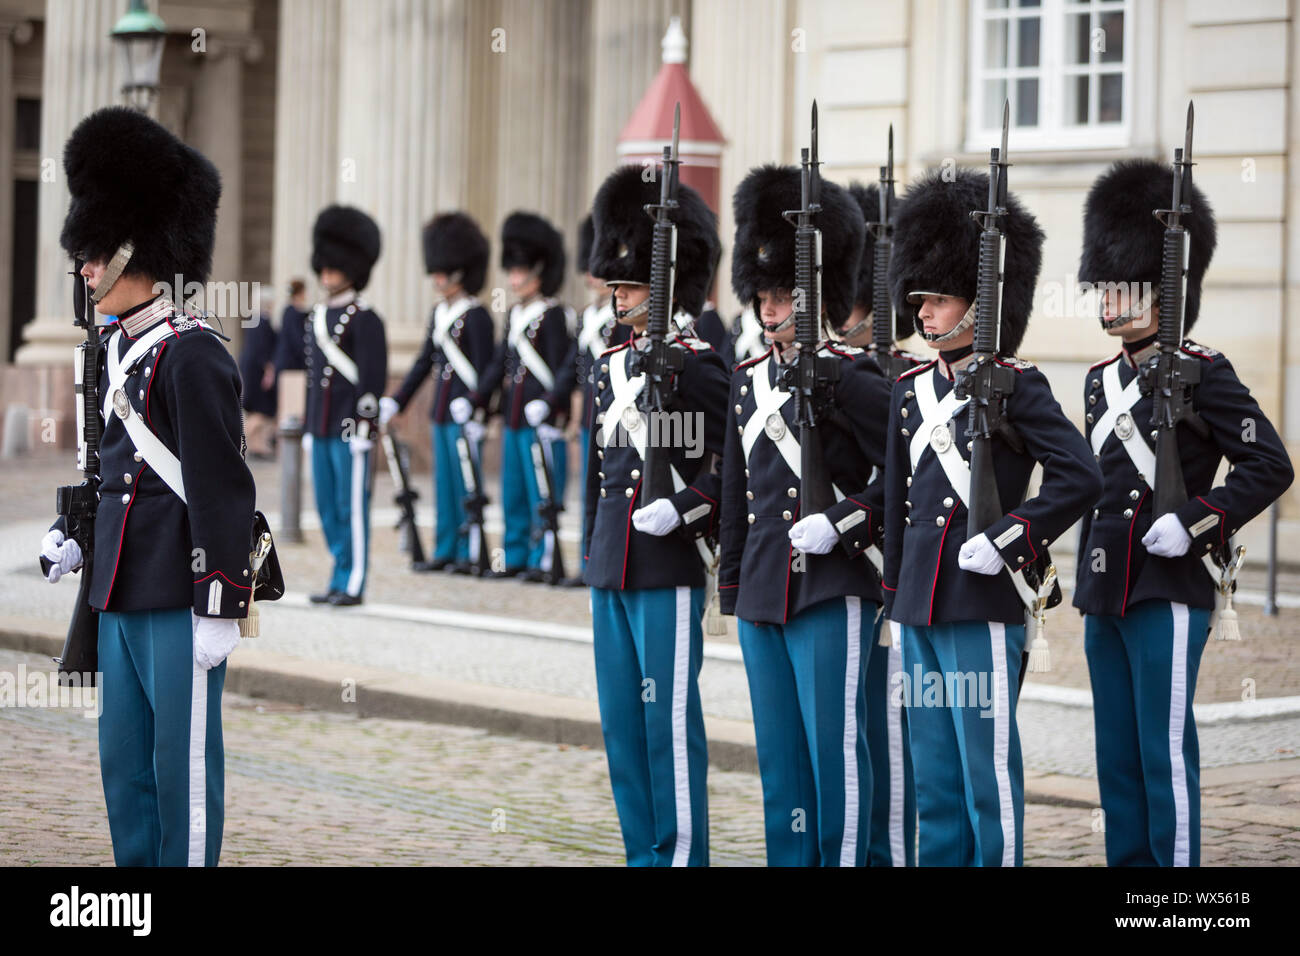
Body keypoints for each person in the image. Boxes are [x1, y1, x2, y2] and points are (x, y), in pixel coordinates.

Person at [39, 106, 255, 866]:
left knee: (181, 772)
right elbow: (109, 468)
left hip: (177, 592)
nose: (86, 269)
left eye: (94, 254)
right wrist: (73, 531)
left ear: (134, 250)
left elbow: (221, 487)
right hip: (119, 593)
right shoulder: (112, 352)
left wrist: (221, 601)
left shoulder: (194, 354)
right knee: (125, 768)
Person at [1074, 159, 1293, 866]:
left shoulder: (1206, 370)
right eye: (1103, 284)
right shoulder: (1099, 380)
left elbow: (1270, 464)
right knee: (1116, 758)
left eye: (1122, 284)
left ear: (1162, 292)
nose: (1108, 297)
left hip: (1169, 587)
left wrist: (1200, 520)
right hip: (1108, 585)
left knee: (1163, 756)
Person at [882, 167, 1102, 866]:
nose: (924, 314)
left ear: (978, 304)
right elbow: (894, 500)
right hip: (919, 600)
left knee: (986, 773)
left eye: (940, 300)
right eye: (920, 300)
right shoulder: (910, 390)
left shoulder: (1017, 384)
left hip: (980, 600)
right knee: (935, 781)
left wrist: (1012, 538)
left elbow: (1079, 475)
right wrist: (894, 597)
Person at [718, 165, 889, 866]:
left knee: (835, 753)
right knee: (782, 765)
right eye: (761, 295)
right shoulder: (745, 380)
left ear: (815, 295)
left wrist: (849, 520)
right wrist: (731, 586)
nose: (768, 310)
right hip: (765, 586)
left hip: (832, 586)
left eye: (784, 295)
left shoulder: (856, 375)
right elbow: (735, 493)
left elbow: (911, 468)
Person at [583, 163, 729, 866]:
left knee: (667, 723)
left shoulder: (698, 365)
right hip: (613, 559)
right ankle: (644, 852)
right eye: (615, 284)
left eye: (632, 283)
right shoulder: (608, 364)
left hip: (666, 562)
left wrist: (690, 510)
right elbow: (598, 470)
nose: (618, 295)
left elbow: (730, 462)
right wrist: (590, 550)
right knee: (621, 726)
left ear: (665, 284)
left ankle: (682, 856)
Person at [835, 179, 921, 867]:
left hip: (888, 572)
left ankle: (890, 854)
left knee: (890, 729)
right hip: (843, 575)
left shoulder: (903, 377)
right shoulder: (833, 367)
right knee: (853, 728)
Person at [279, 205, 386, 606]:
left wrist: (365, 427)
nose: (326, 272)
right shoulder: (316, 317)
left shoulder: (365, 318)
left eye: (334, 265)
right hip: (321, 427)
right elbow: (312, 378)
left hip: (349, 428)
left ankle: (354, 581)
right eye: (323, 265)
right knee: (326, 506)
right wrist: (308, 428)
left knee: (350, 506)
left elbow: (372, 380)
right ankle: (338, 573)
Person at [380, 213, 495, 572]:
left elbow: (489, 369)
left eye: (443, 270)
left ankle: (467, 550)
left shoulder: (476, 316)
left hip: (464, 412)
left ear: (460, 271)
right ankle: (446, 547)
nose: (437, 277)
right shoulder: (439, 314)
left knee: (465, 484)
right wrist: (397, 400)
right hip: (442, 411)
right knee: (443, 483)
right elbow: (424, 361)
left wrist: (480, 408)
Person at [470, 212, 573, 581]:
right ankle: (513, 554)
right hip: (513, 417)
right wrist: (478, 398)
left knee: (540, 493)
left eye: (520, 271)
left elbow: (564, 366)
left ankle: (542, 557)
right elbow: (500, 363)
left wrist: (551, 404)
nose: (514, 279)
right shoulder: (514, 315)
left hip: (540, 417)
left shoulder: (555, 315)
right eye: (512, 271)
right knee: (512, 491)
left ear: (539, 271)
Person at [238, 283, 279, 459]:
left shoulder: (253, 320)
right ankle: (238, 441)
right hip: (258, 371)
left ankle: (257, 446)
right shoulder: (263, 321)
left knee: (256, 411)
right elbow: (263, 350)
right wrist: (269, 371)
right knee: (261, 411)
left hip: (251, 369)